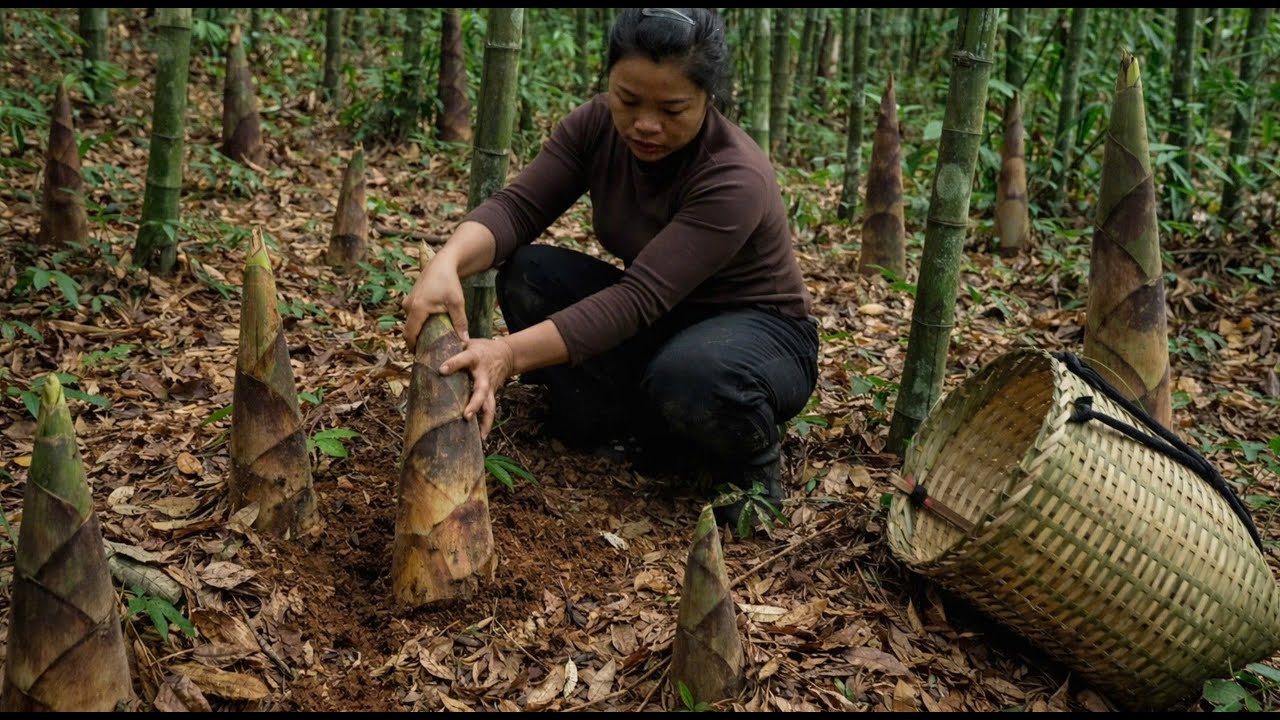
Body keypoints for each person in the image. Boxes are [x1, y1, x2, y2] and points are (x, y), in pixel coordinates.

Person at [402, 7, 818, 529]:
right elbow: (518, 209)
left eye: (672, 109)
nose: (645, 124)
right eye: (628, 100)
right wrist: (447, 262)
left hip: (760, 339)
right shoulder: (596, 125)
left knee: (693, 375)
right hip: (663, 325)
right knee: (530, 273)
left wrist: (507, 354)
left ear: (709, 99)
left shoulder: (734, 175)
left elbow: (637, 298)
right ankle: (637, 429)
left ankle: (753, 475)